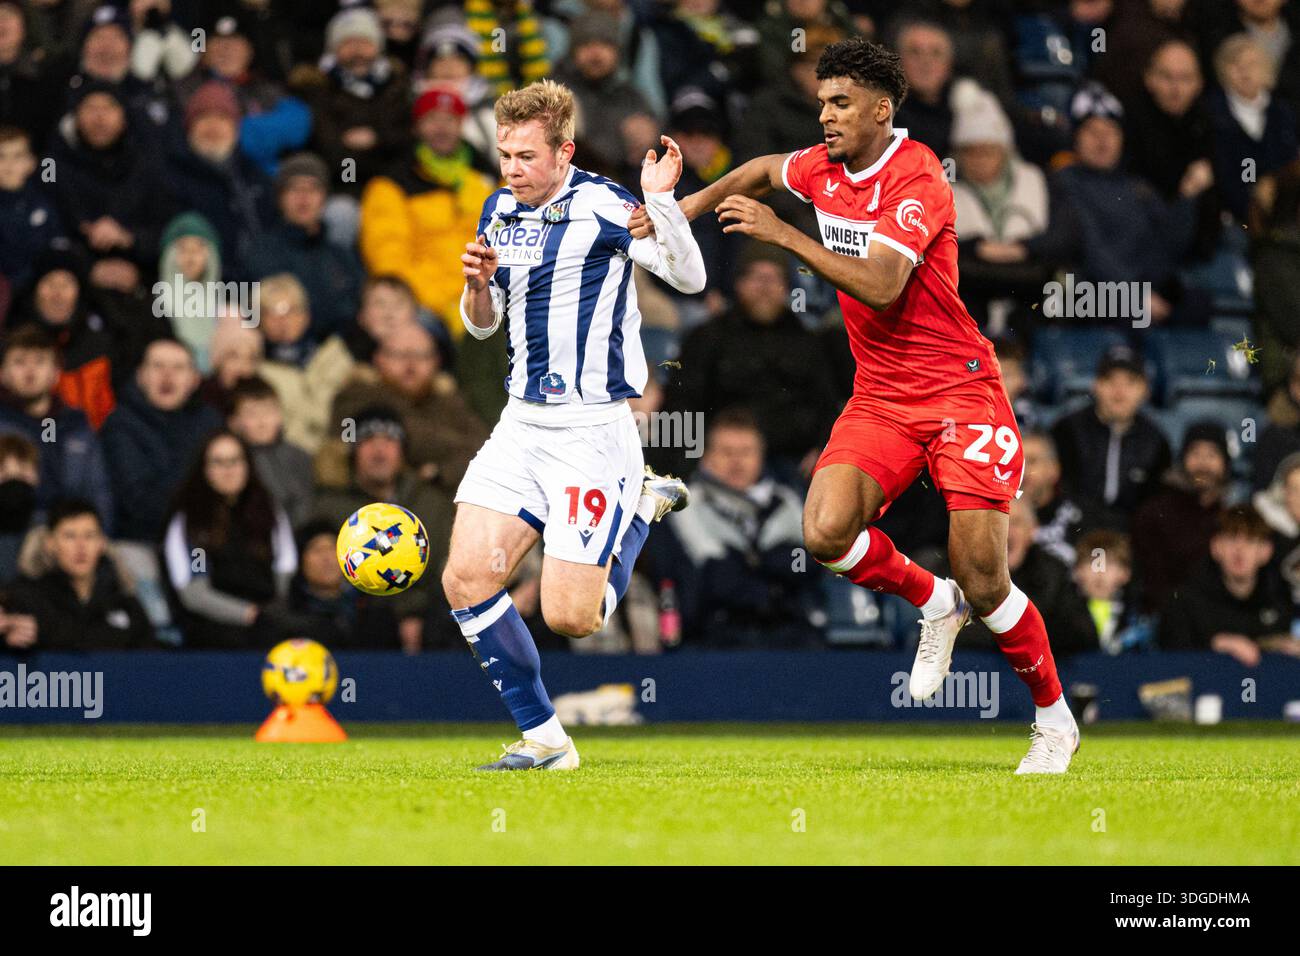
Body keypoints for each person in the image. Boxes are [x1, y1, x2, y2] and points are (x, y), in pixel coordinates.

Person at [633, 37, 1079, 772]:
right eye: (821, 103)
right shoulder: (822, 165)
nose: (826, 116)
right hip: (881, 395)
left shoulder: (920, 179)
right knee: (825, 533)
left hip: (960, 390)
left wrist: (782, 235)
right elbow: (760, 169)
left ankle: (1054, 718)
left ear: (881, 109)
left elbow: (880, 285)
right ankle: (933, 601)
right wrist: (683, 208)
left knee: (986, 575)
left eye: (839, 104)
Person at [446, 79, 703, 770]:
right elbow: (481, 327)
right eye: (503, 154)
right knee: (467, 578)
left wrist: (661, 205)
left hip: (592, 433)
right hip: (521, 426)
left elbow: (689, 278)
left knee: (572, 618)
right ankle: (546, 742)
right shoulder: (499, 208)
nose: (510, 170)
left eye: (525, 156)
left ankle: (642, 505)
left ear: (564, 151)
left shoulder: (605, 205)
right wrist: (475, 287)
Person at [649, 408, 822, 647]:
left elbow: (807, 565)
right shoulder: (685, 504)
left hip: (790, 636)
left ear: (761, 456)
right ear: (706, 456)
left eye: (746, 452)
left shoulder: (787, 501)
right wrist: (769, 564)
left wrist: (752, 563)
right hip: (712, 638)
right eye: (726, 452)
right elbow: (715, 577)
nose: (737, 462)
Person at [310, 406, 454, 654]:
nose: (379, 451)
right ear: (353, 452)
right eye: (367, 441)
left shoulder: (432, 503)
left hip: (432, 618)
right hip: (358, 619)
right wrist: (397, 615)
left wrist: (415, 614)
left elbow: (447, 566)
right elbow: (325, 574)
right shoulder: (330, 508)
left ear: (403, 451)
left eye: (389, 440)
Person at [162, 428, 296, 649]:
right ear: (204, 469)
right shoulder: (190, 521)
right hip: (212, 623)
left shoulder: (269, 511)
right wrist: (249, 614)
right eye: (218, 462)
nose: (229, 470)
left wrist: (269, 613)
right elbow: (194, 594)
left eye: (235, 461)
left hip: (267, 616)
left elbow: (285, 569)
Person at [0, 325, 114, 529]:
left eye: (40, 361)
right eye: (19, 362)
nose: (30, 371)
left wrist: (100, 536)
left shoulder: (75, 423)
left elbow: (98, 490)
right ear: (3, 373)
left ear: (55, 373)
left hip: (72, 534)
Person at [1050, 345, 1172, 531]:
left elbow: (1157, 502)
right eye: (1110, 381)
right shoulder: (1067, 430)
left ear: (1145, 390)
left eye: (1130, 382)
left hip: (1132, 535)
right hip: (1073, 528)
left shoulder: (1156, 440)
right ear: (1096, 386)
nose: (1119, 392)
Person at [1160, 504, 1300, 665]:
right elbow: (1170, 663)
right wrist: (1214, 645)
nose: (1239, 550)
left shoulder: (1278, 597)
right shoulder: (1184, 602)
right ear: (1216, 547)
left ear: (1266, 551)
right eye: (1231, 539)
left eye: (1250, 540)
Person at [12, 498, 154, 650]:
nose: (81, 547)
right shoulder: (26, 599)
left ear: (102, 543)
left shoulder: (124, 602)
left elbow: (150, 657)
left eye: (89, 536)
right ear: (50, 543)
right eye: (70, 536)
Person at [1131, 421, 1232, 613]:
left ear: (1225, 464)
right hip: (1167, 620)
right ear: (1182, 460)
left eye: (1212, 455)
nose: (1203, 464)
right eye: (1195, 454)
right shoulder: (1153, 514)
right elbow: (1150, 584)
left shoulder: (1232, 518)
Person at [226, 375, 314, 526]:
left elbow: (306, 505)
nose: (262, 421)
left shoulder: (300, 457)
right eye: (251, 414)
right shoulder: (229, 460)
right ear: (234, 422)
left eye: (269, 411)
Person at [1072, 529, 1153, 655]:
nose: (1100, 572)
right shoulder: (1061, 616)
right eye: (1091, 563)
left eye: (1109, 564)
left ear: (1125, 573)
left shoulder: (1138, 617)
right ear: (1077, 571)